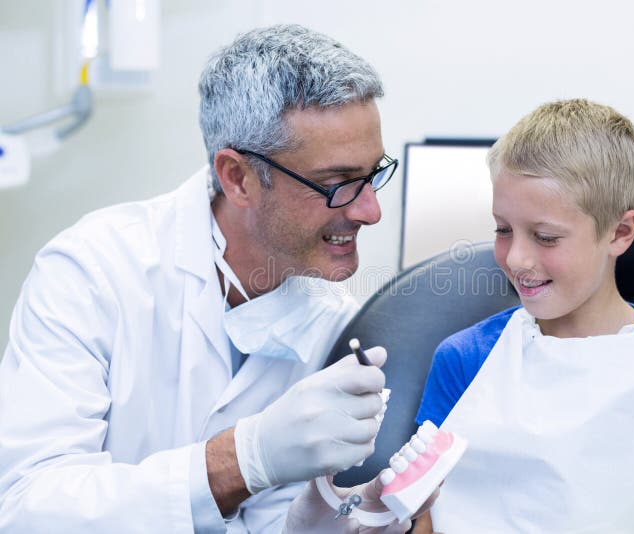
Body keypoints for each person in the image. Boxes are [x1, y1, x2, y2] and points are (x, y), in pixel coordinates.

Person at [0, 25, 427, 532]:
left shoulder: (332, 319)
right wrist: (240, 459)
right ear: (238, 177)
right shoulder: (93, 273)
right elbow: (26, 506)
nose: (371, 210)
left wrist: (347, 517)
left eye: (373, 174)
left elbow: (266, 523)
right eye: (337, 184)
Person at [412, 99, 634, 532]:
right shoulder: (465, 359)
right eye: (502, 230)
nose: (517, 258)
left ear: (620, 232)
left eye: (545, 237)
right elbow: (424, 517)